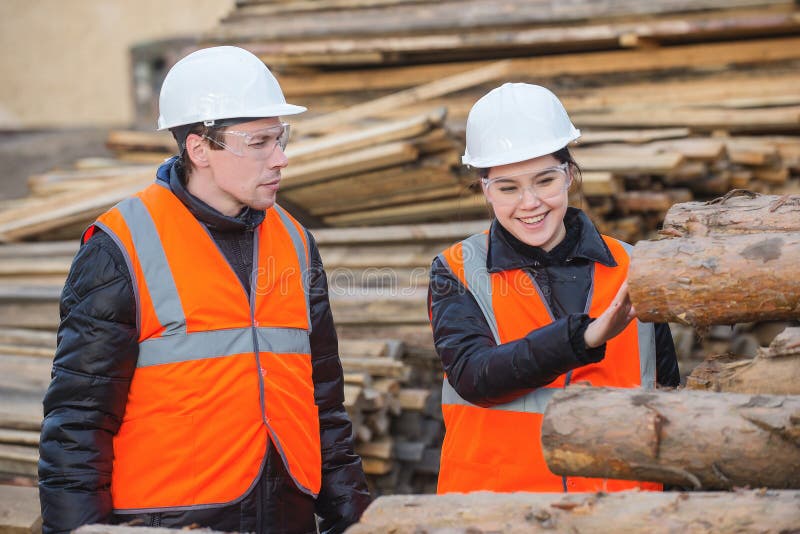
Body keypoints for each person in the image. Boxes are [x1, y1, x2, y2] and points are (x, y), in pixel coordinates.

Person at [38, 46, 370, 533]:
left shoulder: (296, 243)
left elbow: (324, 405)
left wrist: (357, 521)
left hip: (286, 514)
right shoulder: (121, 247)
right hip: (167, 521)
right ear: (199, 149)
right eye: (259, 142)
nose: (281, 158)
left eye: (280, 138)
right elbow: (78, 423)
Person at [428, 83, 680, 494]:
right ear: (485, 191)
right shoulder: (457, 270)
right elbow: (475, 376)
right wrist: (583, 337)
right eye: (508, 188)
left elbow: (669, 396)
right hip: (496, 515)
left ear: (569, 175)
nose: (530, 203)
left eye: (545, 180)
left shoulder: (635, 268)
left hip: (621, 512)